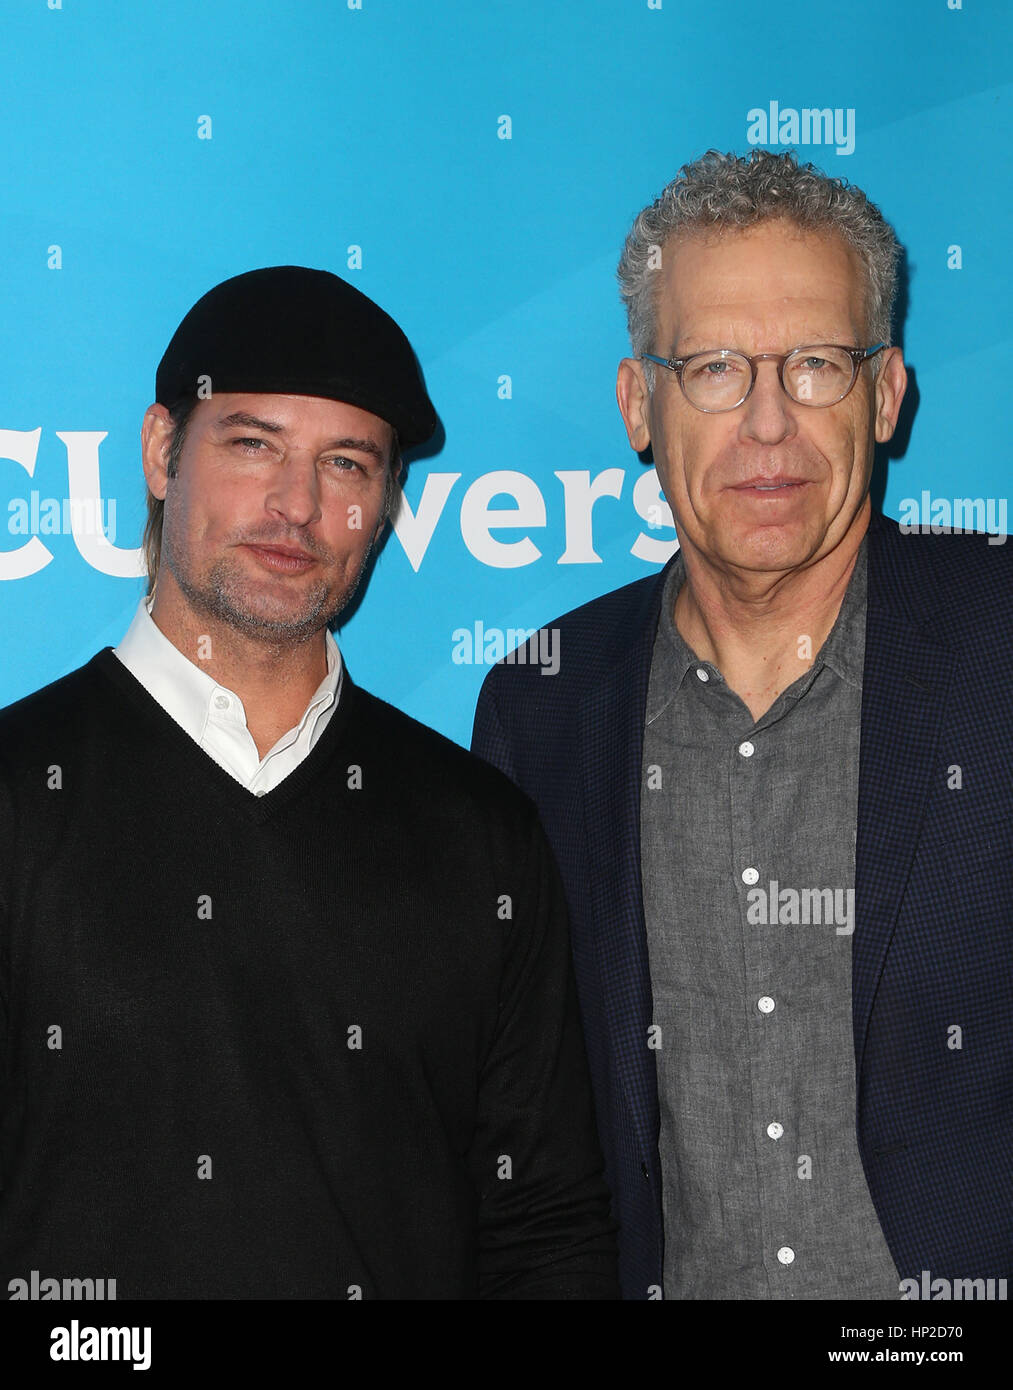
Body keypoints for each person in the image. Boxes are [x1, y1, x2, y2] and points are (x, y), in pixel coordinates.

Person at [0, 266, 618, 1300]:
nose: (297, 505)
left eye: (345, 463)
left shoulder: (478, 830)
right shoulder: (20, 795)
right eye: (253, 445)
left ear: (382, 506)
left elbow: (543, 1225)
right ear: (162, 452)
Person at [472, 151, 1013, 1300]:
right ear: (637, 404)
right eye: (713, 367)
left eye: (815, 365)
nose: (766, 424)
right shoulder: (543, 703)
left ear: (885, 392)